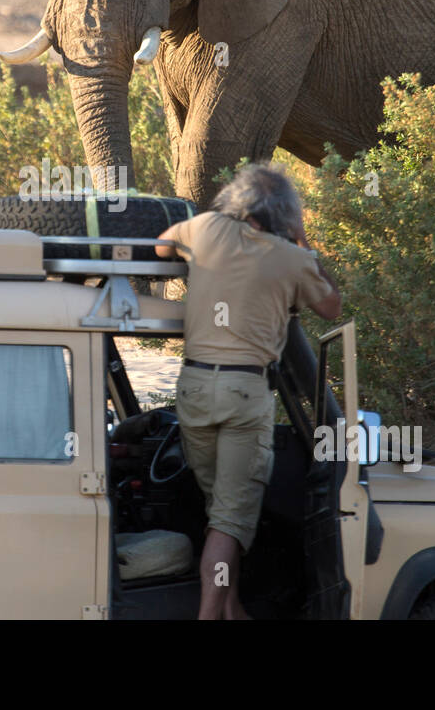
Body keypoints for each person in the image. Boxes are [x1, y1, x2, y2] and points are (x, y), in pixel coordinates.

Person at [155, 163, 341, 620]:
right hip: (243, 392)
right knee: (230, 520)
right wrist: (302, 240)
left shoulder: (204, 227)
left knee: (223, 513)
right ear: (285, 214)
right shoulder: (290, 257)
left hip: (194, 387)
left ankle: (232, 608)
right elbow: (333, 306)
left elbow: (161, 247)